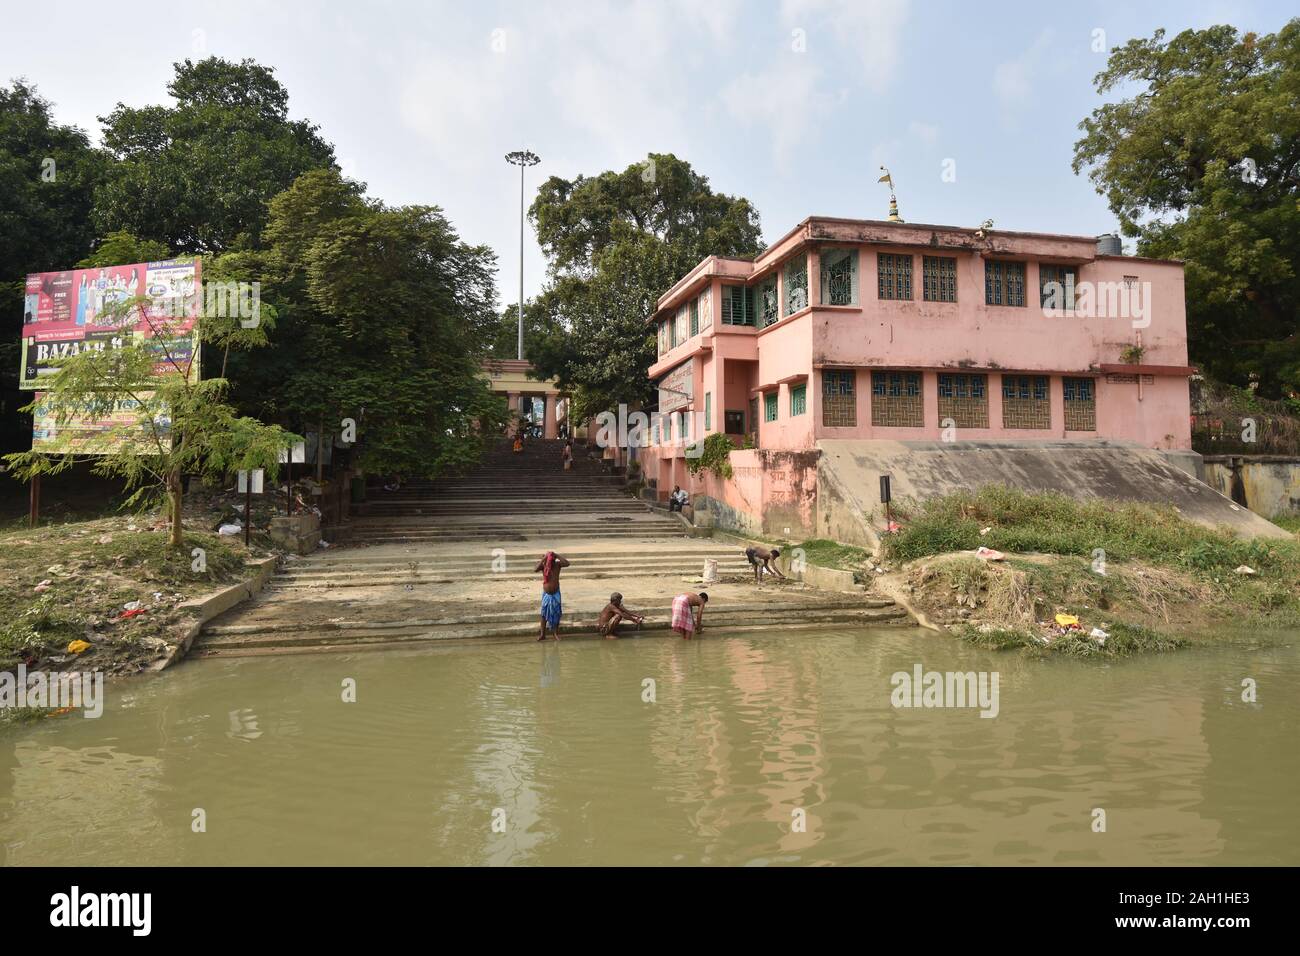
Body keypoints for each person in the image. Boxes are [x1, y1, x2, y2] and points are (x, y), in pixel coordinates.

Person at [535, 551, 570, 640]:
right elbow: (535, 569)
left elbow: (567, 563)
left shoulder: (557, 565)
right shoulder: (543, 566)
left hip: (556, 593)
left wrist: (557, 555)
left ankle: (555, 633)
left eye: (551, 558)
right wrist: (544, 559)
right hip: (546, 594)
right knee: (543, 614)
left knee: (557, 613)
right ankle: (543, 634)